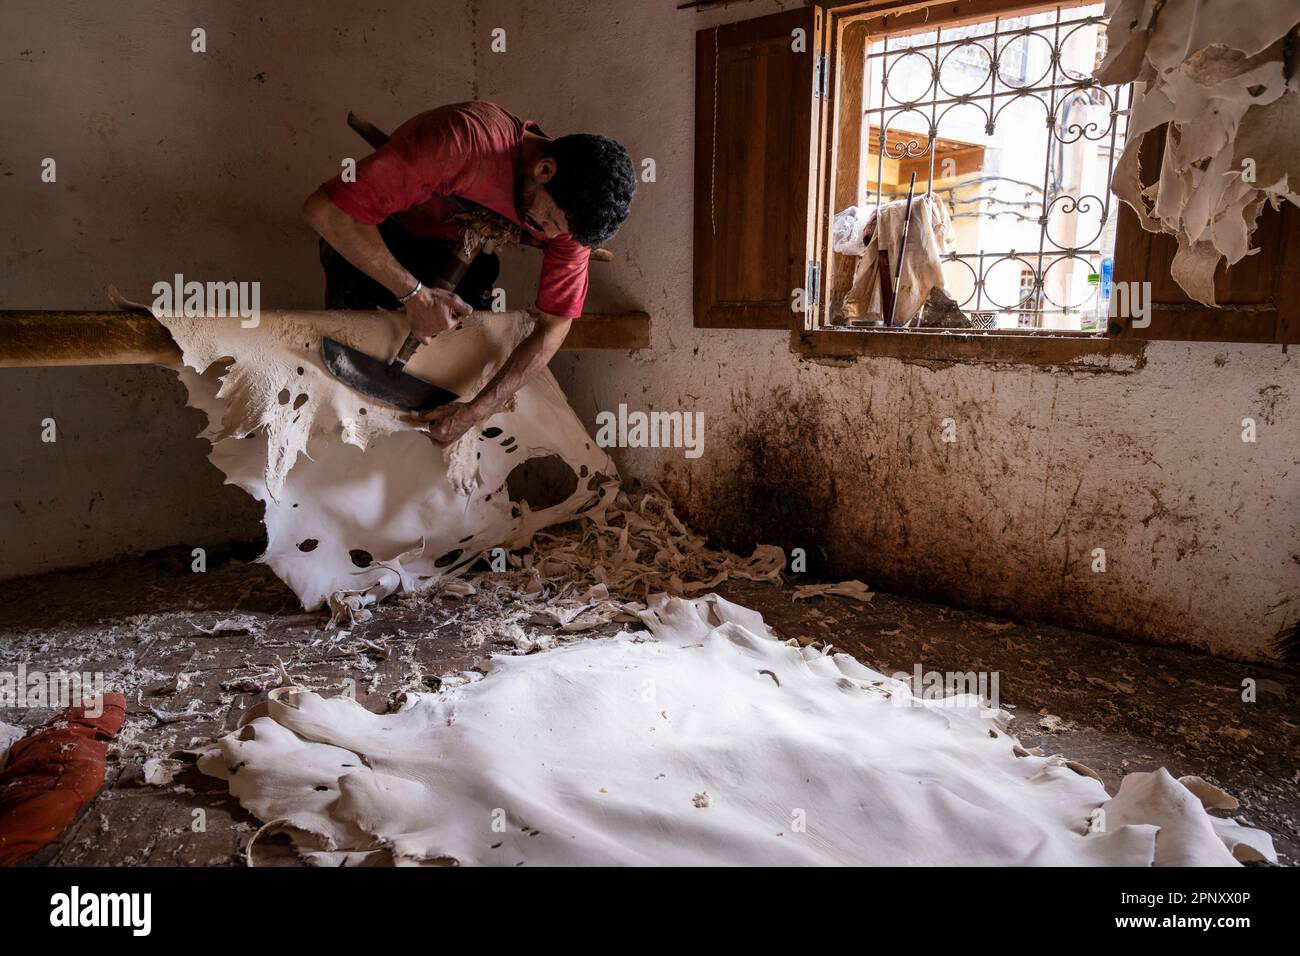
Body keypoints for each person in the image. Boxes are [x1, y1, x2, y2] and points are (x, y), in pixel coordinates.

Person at [303, 101, 635, 444]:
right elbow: (326, 212)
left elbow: (554, 326)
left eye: (560, 231)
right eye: (549, 221)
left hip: (461, 256)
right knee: (348, 402)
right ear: (545, 170)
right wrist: (414, 294)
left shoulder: (571, 226)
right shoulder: (463, 142)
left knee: (451, 383)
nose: (550, 236)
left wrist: (476, 410)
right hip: (381, 239)